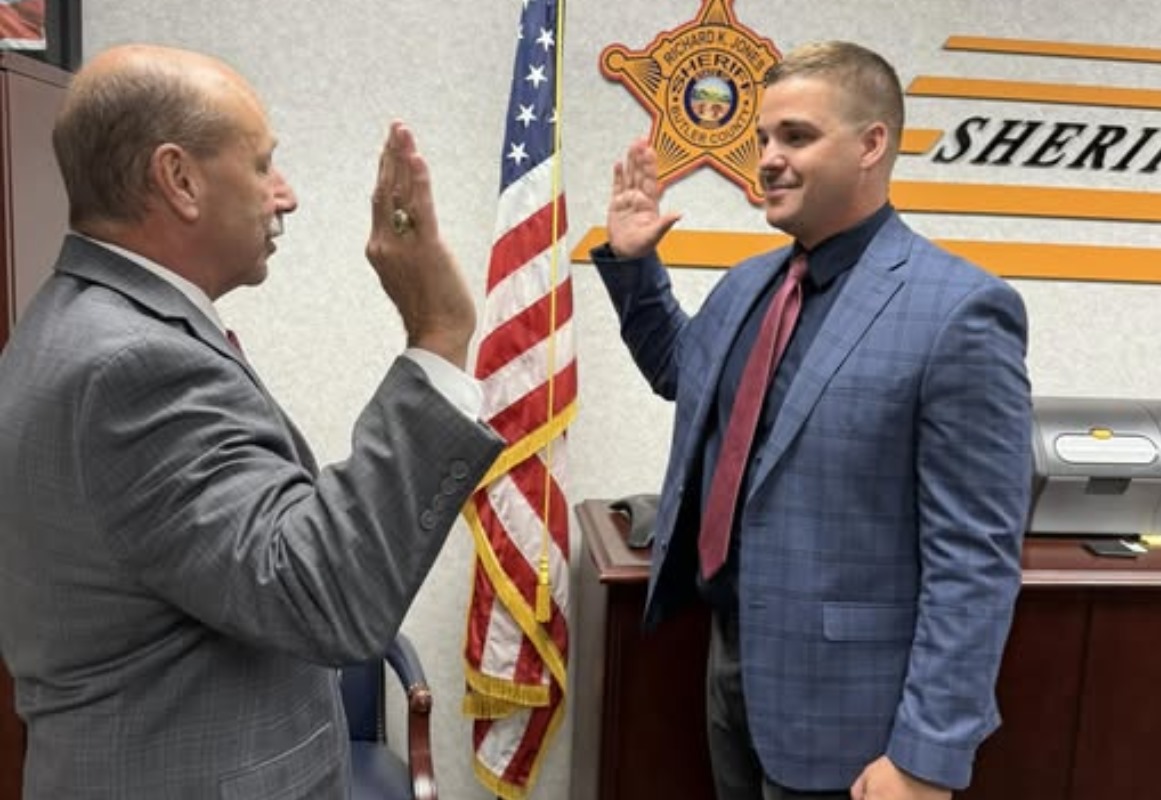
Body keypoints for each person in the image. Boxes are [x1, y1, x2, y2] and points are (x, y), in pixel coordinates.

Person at [0, 44, 502, 798]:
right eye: (264, 164)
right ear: (179, 180)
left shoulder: (86, 320)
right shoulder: (130, 364)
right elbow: (325, 594)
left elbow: (244, 554)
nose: (286, 194)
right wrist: (438, 333)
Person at [592, 41, 1031, 800]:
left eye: (795, 137)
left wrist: (926, 757)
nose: (766, 158)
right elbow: (683, 375)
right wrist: (634, 266)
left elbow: (977, 556)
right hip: (732, 663)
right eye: (763, 139)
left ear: (871, 145)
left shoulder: (960, 310)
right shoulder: (752, 282)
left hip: (854, 713)